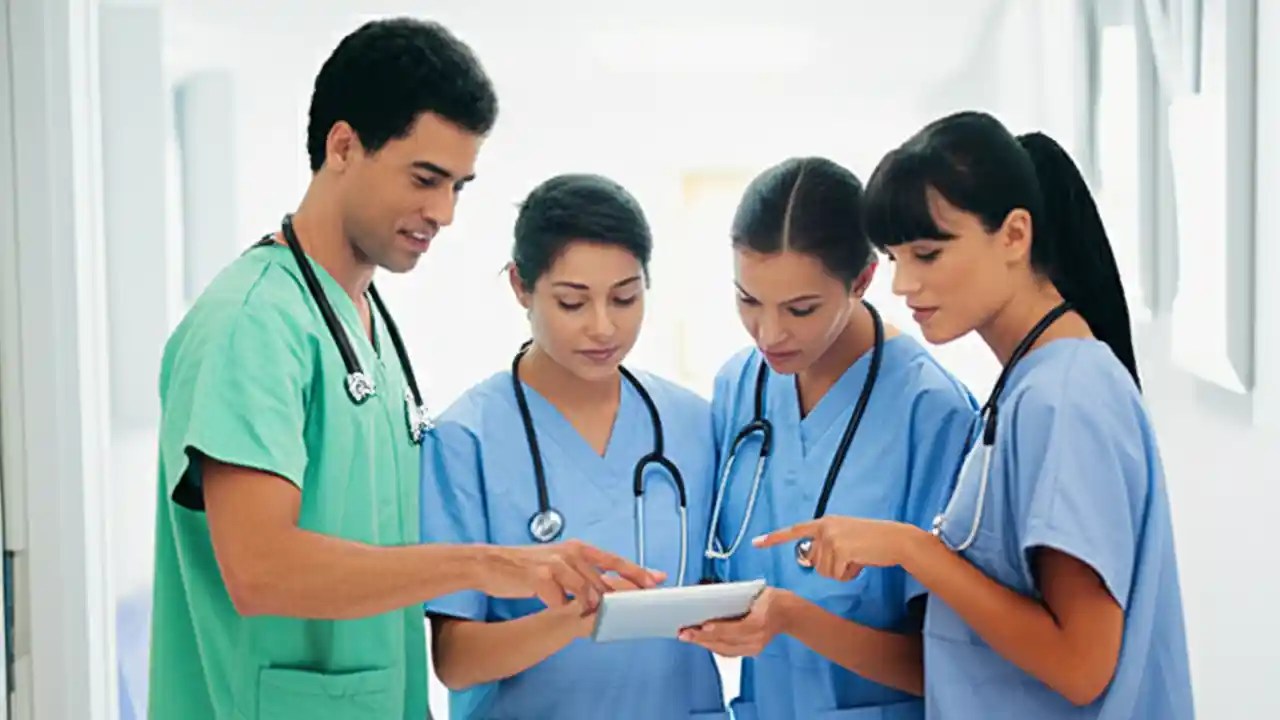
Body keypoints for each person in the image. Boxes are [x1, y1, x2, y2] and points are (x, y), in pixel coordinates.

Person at [148, 20, 658, 720]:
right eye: (425, 178)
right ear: (343, 146)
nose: (443, 213)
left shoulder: (367, 321)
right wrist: (484, 563)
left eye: (458, 185)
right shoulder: (253, 323)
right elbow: (260, 570)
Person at [756, 111, 1194, 719]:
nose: (904, 284)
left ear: (1015, 236)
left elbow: (1081, 665)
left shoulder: (1064, 396)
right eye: (895, 256)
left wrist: (913, 550)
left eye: (928, 254)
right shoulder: (1029, 386)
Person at [420, 174, 730, 719]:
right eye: (572, 302)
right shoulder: (465, 439)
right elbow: (456, 661)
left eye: (625, 298)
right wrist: (584, 617)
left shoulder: (691, 424)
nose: (603, 327)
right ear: (521, 286)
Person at [680, 157, 978, 720]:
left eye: (801, 309)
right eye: (748, 301)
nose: (769, 333)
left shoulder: (931, 413)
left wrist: (794, 617)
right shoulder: (739, 386)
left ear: (863, 280)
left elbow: (953, 666)